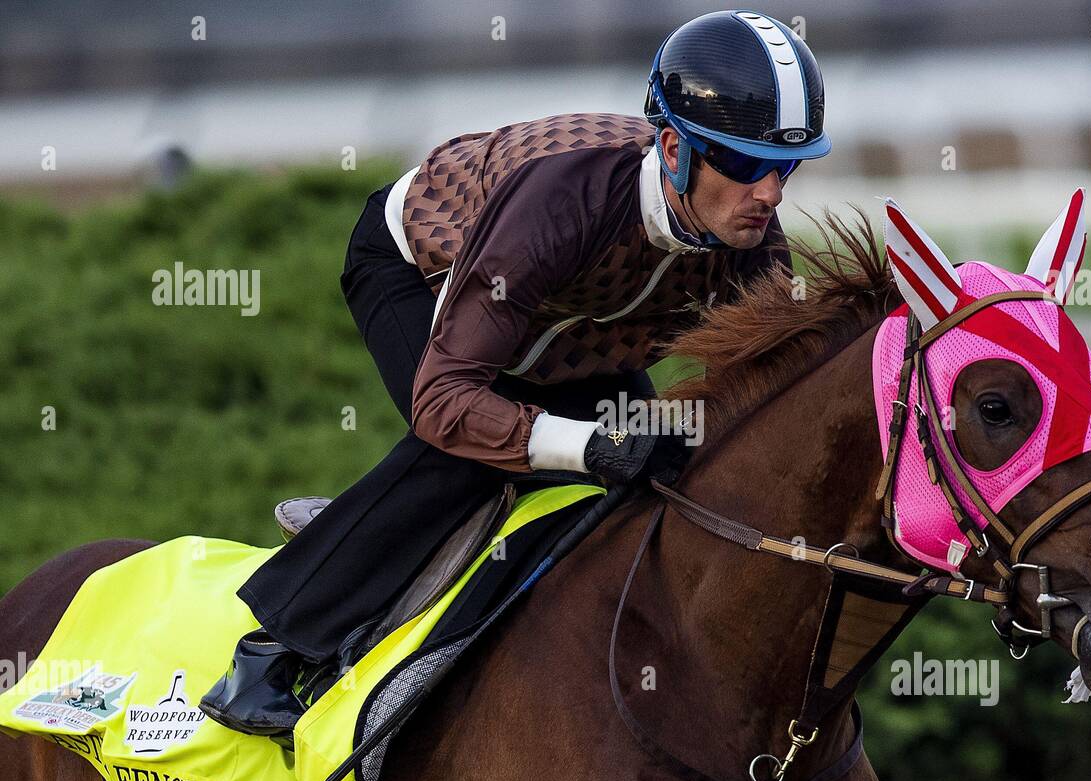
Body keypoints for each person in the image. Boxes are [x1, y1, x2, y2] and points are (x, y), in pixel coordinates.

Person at [199, 10, 832, 740]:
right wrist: (590, 444)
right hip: (415, 272)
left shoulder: (753, 244)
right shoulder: (562, 199)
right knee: (468, 451)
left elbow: (784, 392)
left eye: (787, 167)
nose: (771, 194)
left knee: (662, 469)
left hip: (567, 329)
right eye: (748, 165)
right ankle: (273, 651)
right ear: (673, 149)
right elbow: (445, 401)